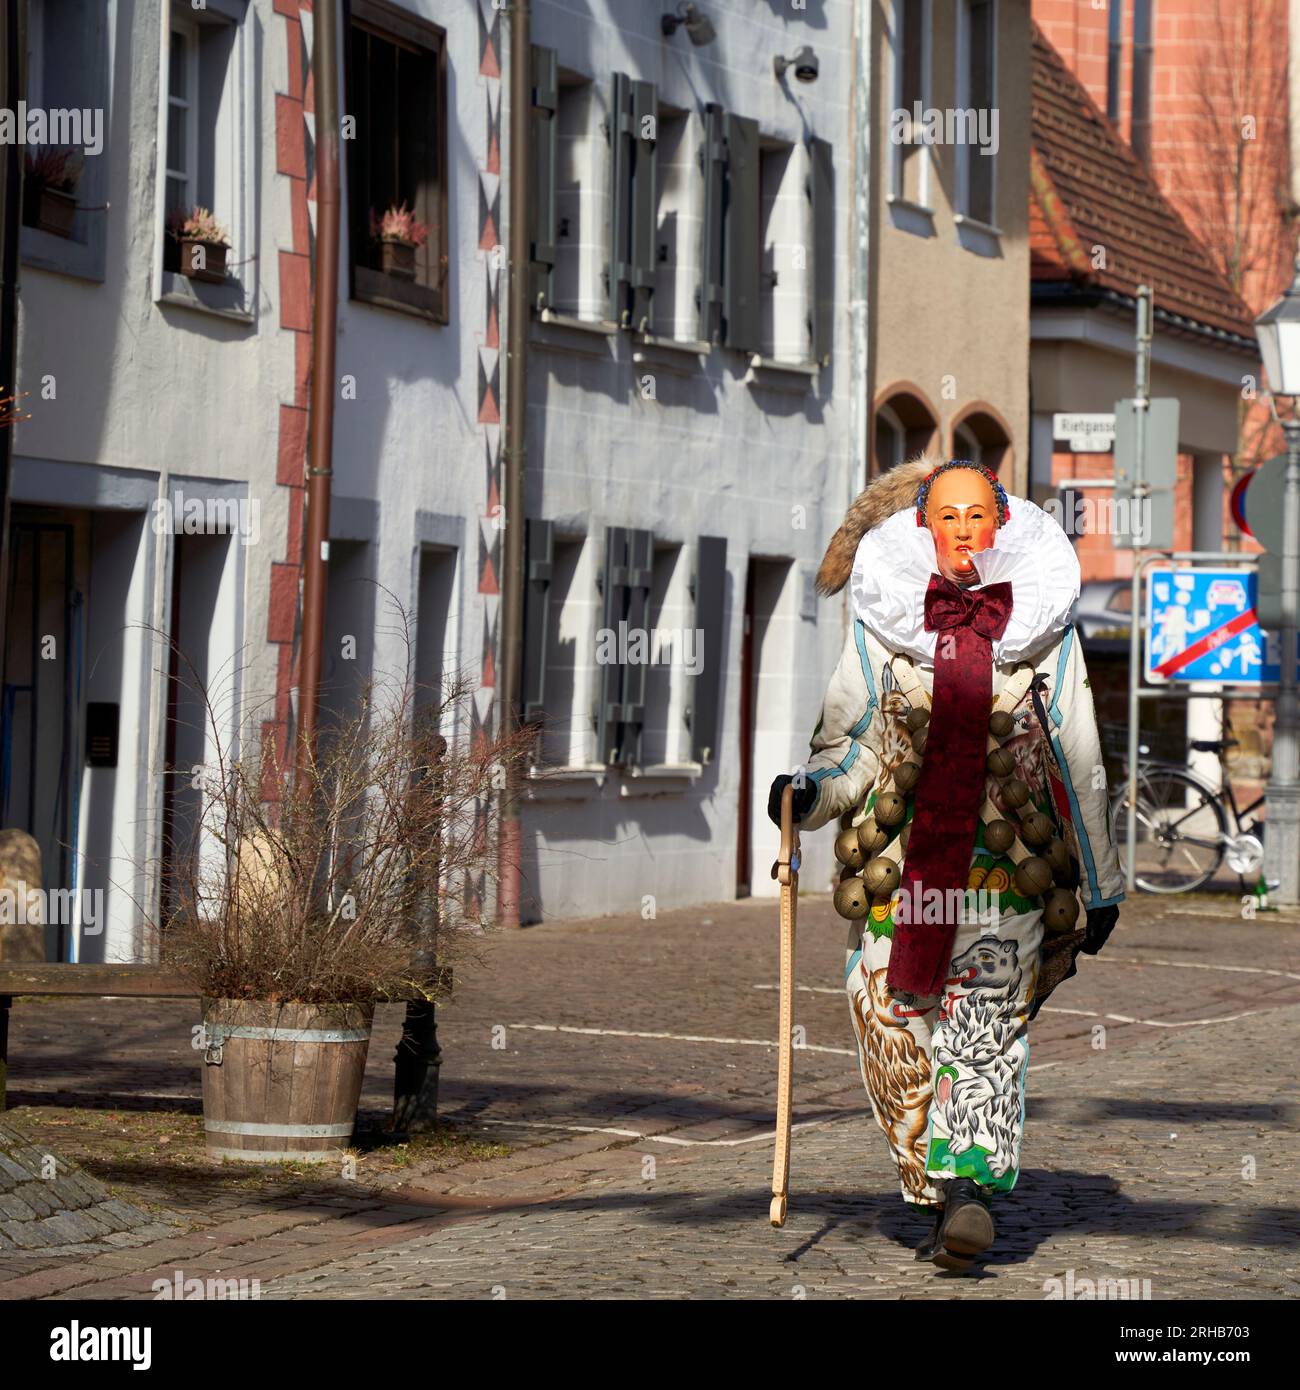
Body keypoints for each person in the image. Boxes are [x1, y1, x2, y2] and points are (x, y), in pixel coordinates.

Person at [768, 455, 1124, 1272]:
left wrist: (1101, 880)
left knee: (985, 1031)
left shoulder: (1044, 634)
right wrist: (805, 794)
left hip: (1004, 876)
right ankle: (932, 1188)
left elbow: (1080, 757)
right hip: (902, 872)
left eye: (978, 517)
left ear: (1003, 525)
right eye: (947, 517)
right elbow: (849, 751)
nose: (964, 532)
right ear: (921, 527)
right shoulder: (883, 631)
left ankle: (969, 1195)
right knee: (889, 1017)